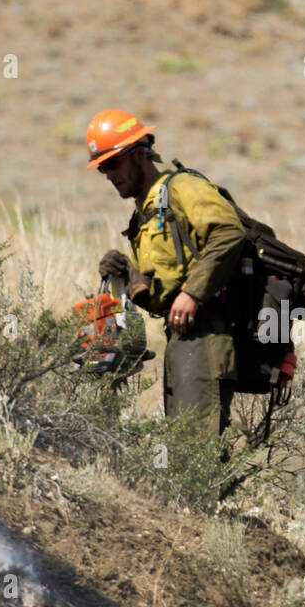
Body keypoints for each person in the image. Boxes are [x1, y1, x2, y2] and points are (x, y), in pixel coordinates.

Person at [86, 108, 246, 433]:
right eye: (102, 168)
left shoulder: (181, 187)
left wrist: (192, 294)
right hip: (182, 338)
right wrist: (126, 275)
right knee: (184, 450)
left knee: (196, 448)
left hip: (207, 332)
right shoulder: (142, 217)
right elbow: (161, 294)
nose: (109, 174)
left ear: (140, 153)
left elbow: (229, 232)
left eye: (113, 163)